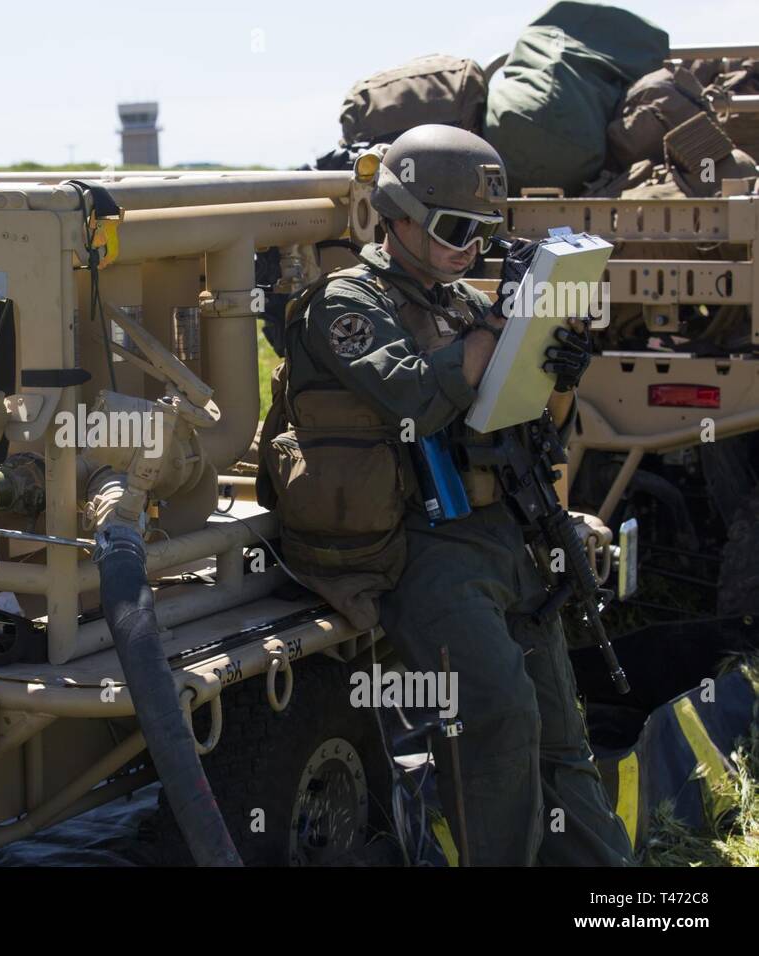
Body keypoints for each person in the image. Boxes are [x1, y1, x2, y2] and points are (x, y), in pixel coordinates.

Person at [260, 124, 634, 865]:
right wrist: (494, 337)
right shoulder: (346, 304)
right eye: (455, 228)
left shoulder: (463, 304)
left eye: (484, 234)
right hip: (417, 548)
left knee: (558, 733)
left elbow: (532, 430)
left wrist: (554, 371)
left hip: (504, 536)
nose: (470, 247)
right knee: (497, 716)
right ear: (397, 214)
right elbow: (411, 401)